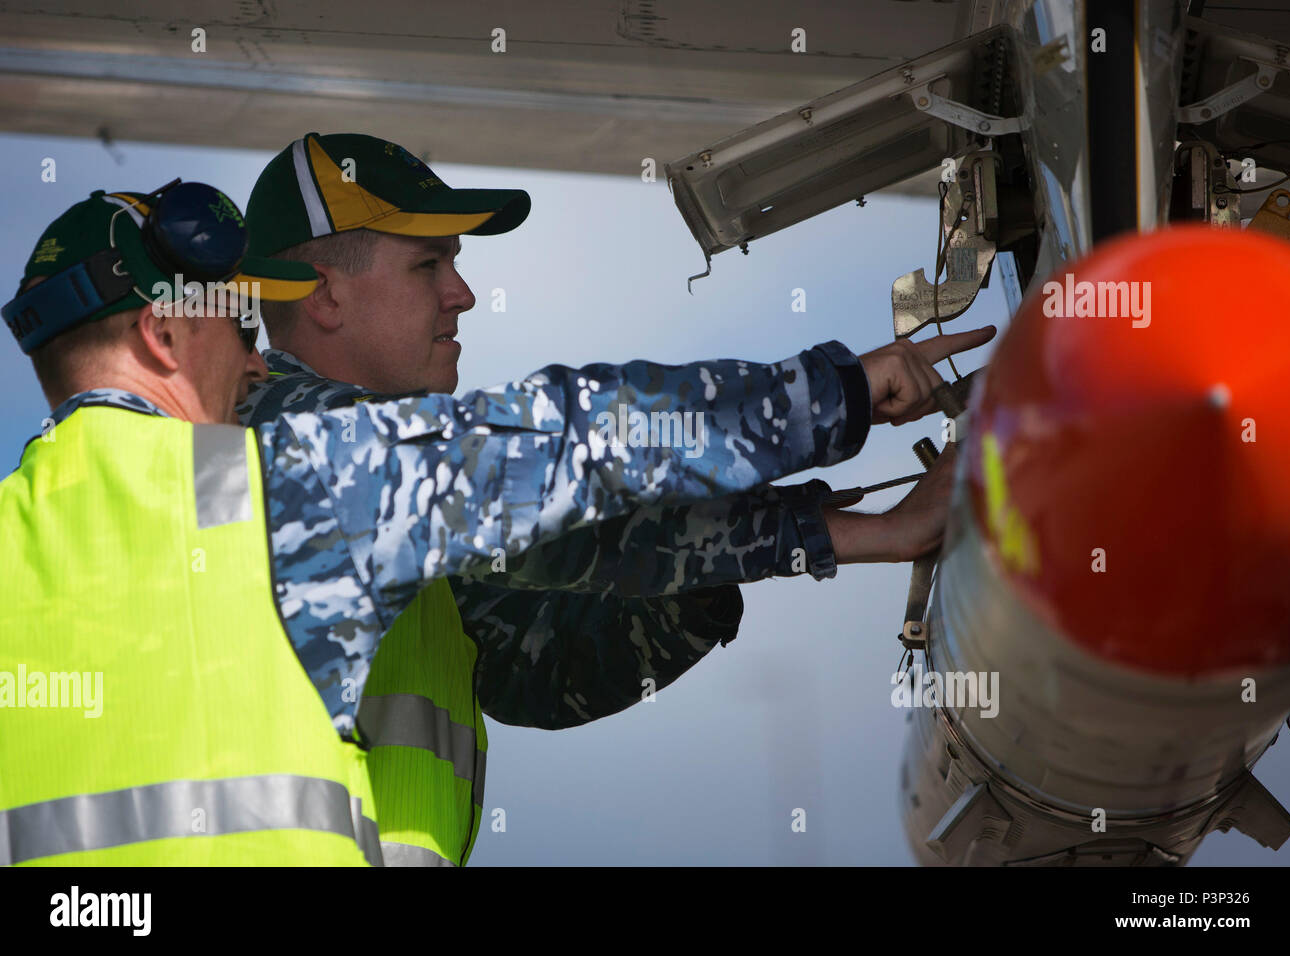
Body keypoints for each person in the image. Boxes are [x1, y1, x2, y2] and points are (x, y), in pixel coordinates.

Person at [0, 180, 964, 866]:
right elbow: (571, 443)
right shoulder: (274, 487)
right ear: (164, 335)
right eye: (235, 329)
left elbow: (537, 653)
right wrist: (833, 395)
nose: (254, 363)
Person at [238, 132, 993, 865]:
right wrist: (832, 397)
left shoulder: (406, 512)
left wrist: (854, 531)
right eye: (427, 264)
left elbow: (552, 659)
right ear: (325, 294)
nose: (461, 294)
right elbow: (571, 448)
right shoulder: (283, 441)